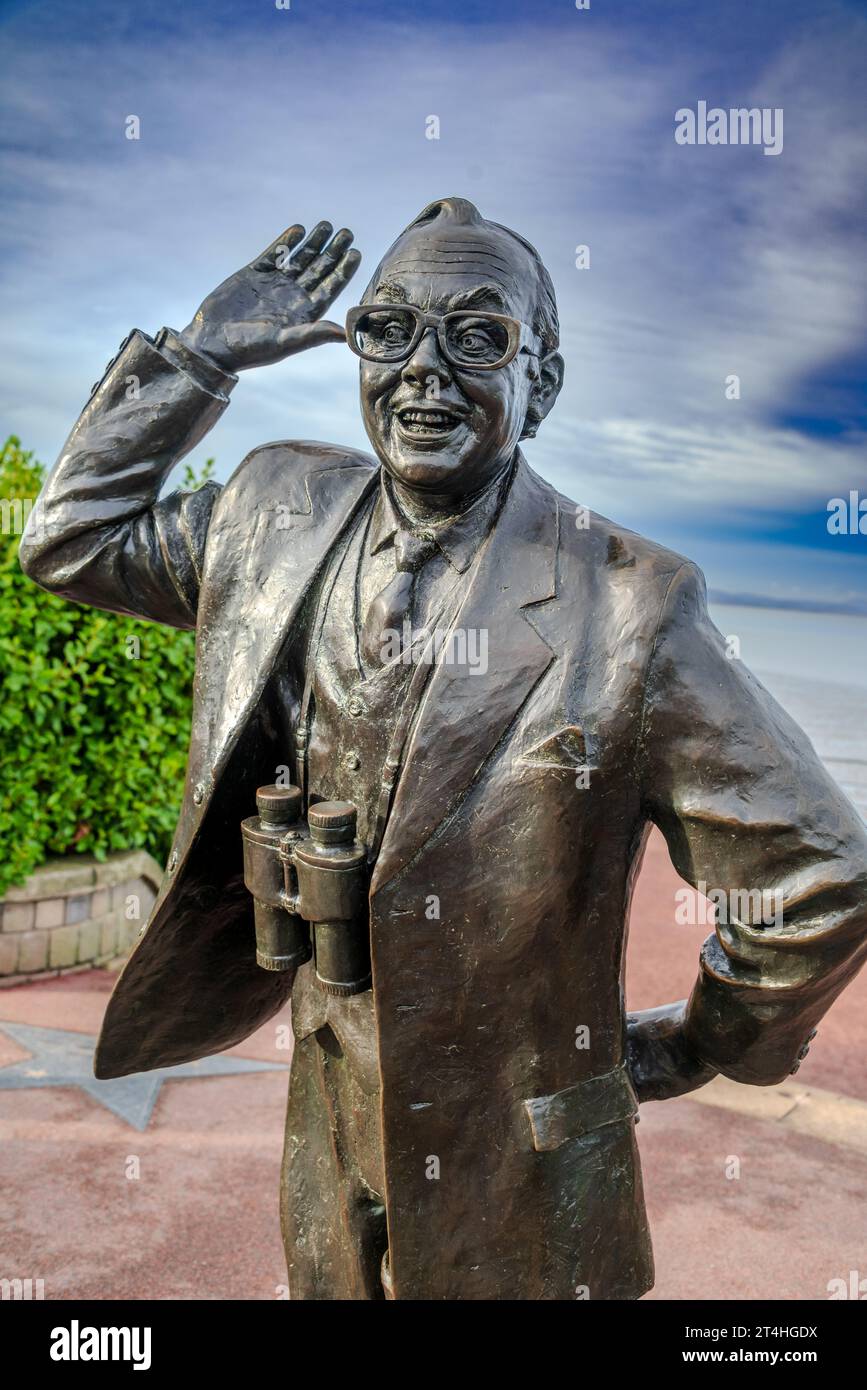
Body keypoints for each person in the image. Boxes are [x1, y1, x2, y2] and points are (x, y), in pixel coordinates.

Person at [20, 197, 867, 1300]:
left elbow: (818, 876)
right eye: (389, 329)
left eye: (478, 337)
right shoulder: (273, 512)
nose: (424, 369)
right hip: (327, 1130)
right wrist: (202, 354)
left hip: (524, 1176)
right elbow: (72, 538)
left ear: (541, 383)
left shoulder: (632, 609)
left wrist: (694, 1043)